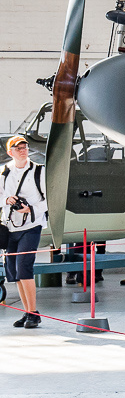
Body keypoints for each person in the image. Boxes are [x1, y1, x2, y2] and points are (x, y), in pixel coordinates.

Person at [3, 136, 48, 328]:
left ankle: (33, 313)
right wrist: (7, 200)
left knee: (24, 267)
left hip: (31, 225)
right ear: (9, 152)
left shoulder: (39, 171)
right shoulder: (4, 172)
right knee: (14, 272)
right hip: (9, 226)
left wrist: (30, 209)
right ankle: (28, 311)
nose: (23, 150)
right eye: (18, 147)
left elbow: (50, 199)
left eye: (25, 147)